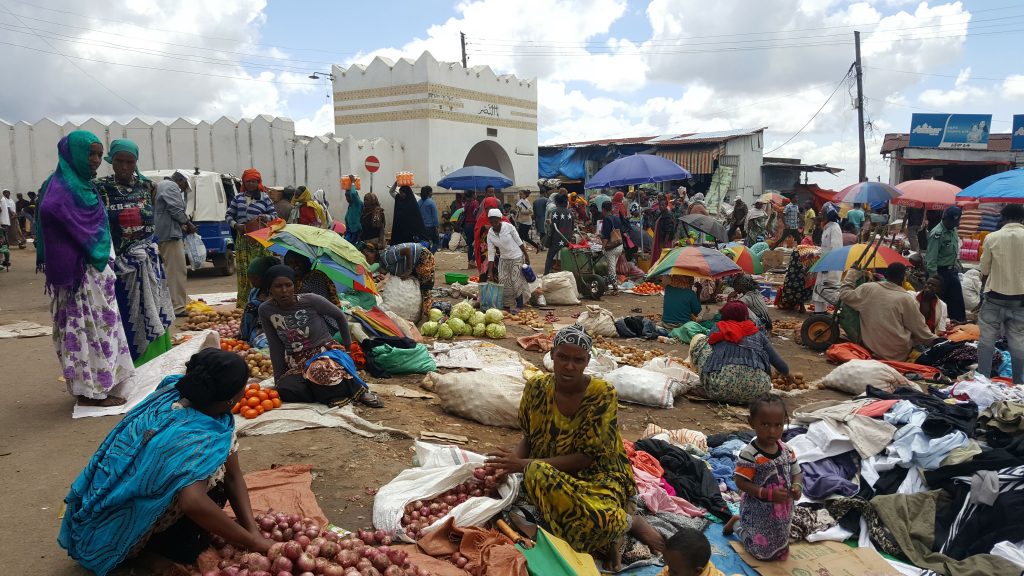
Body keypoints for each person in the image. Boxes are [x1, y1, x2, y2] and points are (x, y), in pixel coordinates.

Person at [58, 349, 273, 576]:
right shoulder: (203, 436)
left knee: (205, 475)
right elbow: (195, 501)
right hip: (129, 530)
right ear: (231, 399)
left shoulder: (169, 394)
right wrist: (253, 542)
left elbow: (234, 475)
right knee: (212, 494)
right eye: (244, 386)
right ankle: (145, 552)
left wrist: (252, 532)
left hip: (102, 517)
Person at [486, 326, 664, 568]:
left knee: (535, 477)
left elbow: (587, 459)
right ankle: (614, 531)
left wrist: (522, 465)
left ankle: (630, 524)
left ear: (587, 361)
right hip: (551, 474)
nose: (569, 366)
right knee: (524, 486)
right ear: (552, 355)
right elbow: (529, 440)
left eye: (578, 360)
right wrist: (505, 469)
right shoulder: (536, 388)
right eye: (563, 357)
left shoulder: (602, 394)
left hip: (599, 477)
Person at [36, 131, 135, 407]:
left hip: (98, 269)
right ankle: (90, 392)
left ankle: (103, 384)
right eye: (90, 154)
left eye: (97, 155)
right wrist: (83, 241)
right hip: (77, 274)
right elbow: (51, 211)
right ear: (74, 154)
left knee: (103, 329)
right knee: (83, 331)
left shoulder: (85, 185)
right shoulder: (59, 189)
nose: (94, 160)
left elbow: (98, 225)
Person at [95, 139, 174, 366]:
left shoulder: (148, 186)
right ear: (111, 161)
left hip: (149, 264)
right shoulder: (100, 188)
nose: (124, 167)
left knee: (153, 311)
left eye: (130, 162)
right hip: (120, 266)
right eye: (119, 161)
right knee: (127, 316)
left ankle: (155, 362)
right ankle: (129, 366)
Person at [259, 265, 383, 407]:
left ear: (295, 285)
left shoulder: (310, 300)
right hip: (297, 360)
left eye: (288, 285)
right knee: (286, 388)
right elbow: (275, 346)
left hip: (325, 353)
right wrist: (278, 379)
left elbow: (340, 316)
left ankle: (359, 392)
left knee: (319, 369)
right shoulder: (266, 310)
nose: (284, 291)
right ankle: (329, 392)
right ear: (269, 288)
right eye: (278, 286)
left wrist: (348, 349)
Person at [723, 394, 802, 562]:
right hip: (758, 509)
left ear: (784, 422)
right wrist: (766, 493)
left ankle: (773, 544)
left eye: (778, 425)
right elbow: (740, 482)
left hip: (782, 509)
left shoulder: (786, 450)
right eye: (765, 424)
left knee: (780, 543)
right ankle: (738, 524)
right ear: (752, 422)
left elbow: (796, 471)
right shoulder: (750, 455)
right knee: (759, 551)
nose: (772, 431)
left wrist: (797, 486)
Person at [690, 301, 792, 404]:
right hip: (759, 393)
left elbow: (709, 350)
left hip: (720, 388)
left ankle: (708, 384)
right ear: (745, 315)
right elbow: (779, 364)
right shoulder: (757, 333)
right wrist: (787, 374)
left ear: (724, 314)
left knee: (700, 342)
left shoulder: (719, 327)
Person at [837, 264, 937, 361]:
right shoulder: (907, 299)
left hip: (870, 347)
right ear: (903, 278)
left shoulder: (868, 288)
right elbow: (921, 331)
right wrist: (939, 340)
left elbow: (844, 294)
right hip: (898, 354)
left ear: (885, 274)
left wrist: (852, 274)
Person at [976, 204, 1024, 385]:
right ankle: (1020, 385)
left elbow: (984, 270)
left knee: (986, 342)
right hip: (1020, 301)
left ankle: (983, 382)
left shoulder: (992, 237)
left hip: (994, 298)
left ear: (1003, 218)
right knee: (1019, 344)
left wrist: (981, 293)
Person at [226, 168, 275, 306]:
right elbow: (228, 216)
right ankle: (245, 301)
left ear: (258, 182)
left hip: (260, 239)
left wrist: (265, 217)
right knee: (244, 270)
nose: (251, 184)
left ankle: (264, 298)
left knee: (260, 268)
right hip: (243, 239)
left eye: (254, 181)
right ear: (244, 183)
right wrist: (236, 225)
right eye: (248, 181)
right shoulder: (238, 198)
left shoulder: (265, 198)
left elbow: (274, 216)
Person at [362, 240, 436, 317]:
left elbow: (407, 250)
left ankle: (426, 315)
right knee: (420, 288)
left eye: (367, 255)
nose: (366, 259)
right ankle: (422, 313)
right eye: (364, 257)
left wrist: (409, 270)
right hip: (416, 260)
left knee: (425, 288)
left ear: (374, 252)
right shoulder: (382, 261)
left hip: (423, 256)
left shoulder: (386, 256)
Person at [154, 179, 195, 317]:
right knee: (177, 271)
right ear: (182, 180)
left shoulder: (162, 185)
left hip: (163, 233)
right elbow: (176, 209)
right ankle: (177, 307)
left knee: (168, 272)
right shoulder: (171, 186)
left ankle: (171, 304)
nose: (182, 191)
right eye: (184, 187)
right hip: (169, 235)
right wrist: (188, 223)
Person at [925, 206, 966, 323]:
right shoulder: (937, 233)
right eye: (954, 221)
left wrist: (957, 263)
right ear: (946, 219)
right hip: (939, 272)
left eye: (957, 221)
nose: (957, 223)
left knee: (957, 301)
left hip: (951, 271)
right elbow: (931, 258)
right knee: (939, 304)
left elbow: (954, 249)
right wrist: (934, 278)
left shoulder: (953, 230)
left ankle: (959, 325)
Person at [486, 208, 531, 310]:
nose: (494, 224)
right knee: (503, 280)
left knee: (516, 280)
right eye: (492, 222)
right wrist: (490, 272)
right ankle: (508, 304)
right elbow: (491, 252)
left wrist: (526, 255)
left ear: (500, 219)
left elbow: (519, 242)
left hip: (516, 256)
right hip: (504, 258)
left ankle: (519, 304)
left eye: (496, 221)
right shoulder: (490, 233)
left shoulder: (509, 227)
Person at [240, 256, 279, 345]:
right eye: (250, 278)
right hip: (254, 329)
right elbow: (246, 316)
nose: (252, 281)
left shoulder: (277, 293)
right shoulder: (254, 292)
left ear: (266, 277)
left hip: (270, 329)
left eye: (256, 278)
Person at [811, 203, 842, 313]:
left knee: (829, 292)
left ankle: (830, 313)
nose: (820, 216)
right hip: (824, 264)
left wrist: (828, 264)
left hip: (830, 267)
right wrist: (814, 253)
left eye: (822, 213)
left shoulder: (834, 229)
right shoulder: (827, 228)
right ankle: (819, 314)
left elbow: (835, 250)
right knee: (819, 293)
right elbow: (825, 248)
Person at [545, 192, 575, 274]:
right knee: (568, 257)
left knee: (550, 257)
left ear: (556, 202)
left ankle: (546, 274)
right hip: (567, 239)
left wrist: (549, 238)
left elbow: (553, 227)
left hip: (557, 238)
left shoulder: (555, 212)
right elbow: (572, 228)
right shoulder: (570, 213)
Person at [599, 201, 625, 288]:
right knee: (612, 267)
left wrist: (603, 248)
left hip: (612, 248)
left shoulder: (606, 219)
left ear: (603, 209)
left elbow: (606, 237)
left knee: (611, 269)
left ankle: (615, 287)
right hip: (619, 246)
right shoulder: (616, 218)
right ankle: (610, 284)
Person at [473, 195, 502, 274]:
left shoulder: (501, 218)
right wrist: (484, 228)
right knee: (485, 269)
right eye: (487, 208)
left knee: (497, 268)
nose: (489, 210)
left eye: (491, 207)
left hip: (498, 248)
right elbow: (476, 231)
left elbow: (509, 231)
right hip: (485, 249)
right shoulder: (482, 218)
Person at [649, 195, 676, 260]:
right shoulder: (661, 213)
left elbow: (668, 231)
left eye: (663, 205)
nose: (660, 206)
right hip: (660, 239)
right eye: (660, 205)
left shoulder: (667, 215)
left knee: (664, 257)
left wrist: (665, 243)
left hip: (665, 241)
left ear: (666, 205)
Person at [418, 185, 440, 252]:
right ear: (429, 192)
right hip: (430, 227)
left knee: (425, 243)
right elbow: (434, 216)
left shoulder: (419, 202)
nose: (432, 193)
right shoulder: (431, 202)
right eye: (431, 192)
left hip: (421, 227)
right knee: (436, 242)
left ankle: (425, 257)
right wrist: (437, 227)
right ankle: (430, 256)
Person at [343, 175, 363, 244]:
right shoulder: (350, 206)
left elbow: (353, 193)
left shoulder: (357, 204)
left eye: (348, 196)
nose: (347, 198)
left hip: (356, 233)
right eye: (346, 196)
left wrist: (353, 182)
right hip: (350, 232)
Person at [462, 190, 479, 269]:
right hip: (473, 224)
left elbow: (465, 213)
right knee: (476, 243)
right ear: (472, 195)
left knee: (469, 244)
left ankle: (469, 262)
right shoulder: (475, 203)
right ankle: (473, 259)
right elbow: (475, 213)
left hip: (466, 225)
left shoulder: (465, 204)